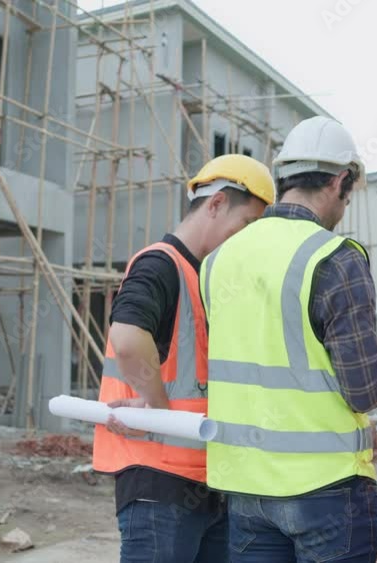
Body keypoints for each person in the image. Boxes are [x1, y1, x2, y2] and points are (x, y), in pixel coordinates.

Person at [200, 116, 377, 562]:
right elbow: (365, 391)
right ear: (340, 181)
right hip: (327, 491)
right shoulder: (334, 257)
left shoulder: (219, 261)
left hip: (245, 488)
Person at [92, 154, 273, 563]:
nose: (242, 240)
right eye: (244, 225)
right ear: (216, 204)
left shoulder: (202, 276)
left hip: (204, 481)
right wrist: (157, 409)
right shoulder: (161, 264)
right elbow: (126, 337)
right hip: (159, 482)